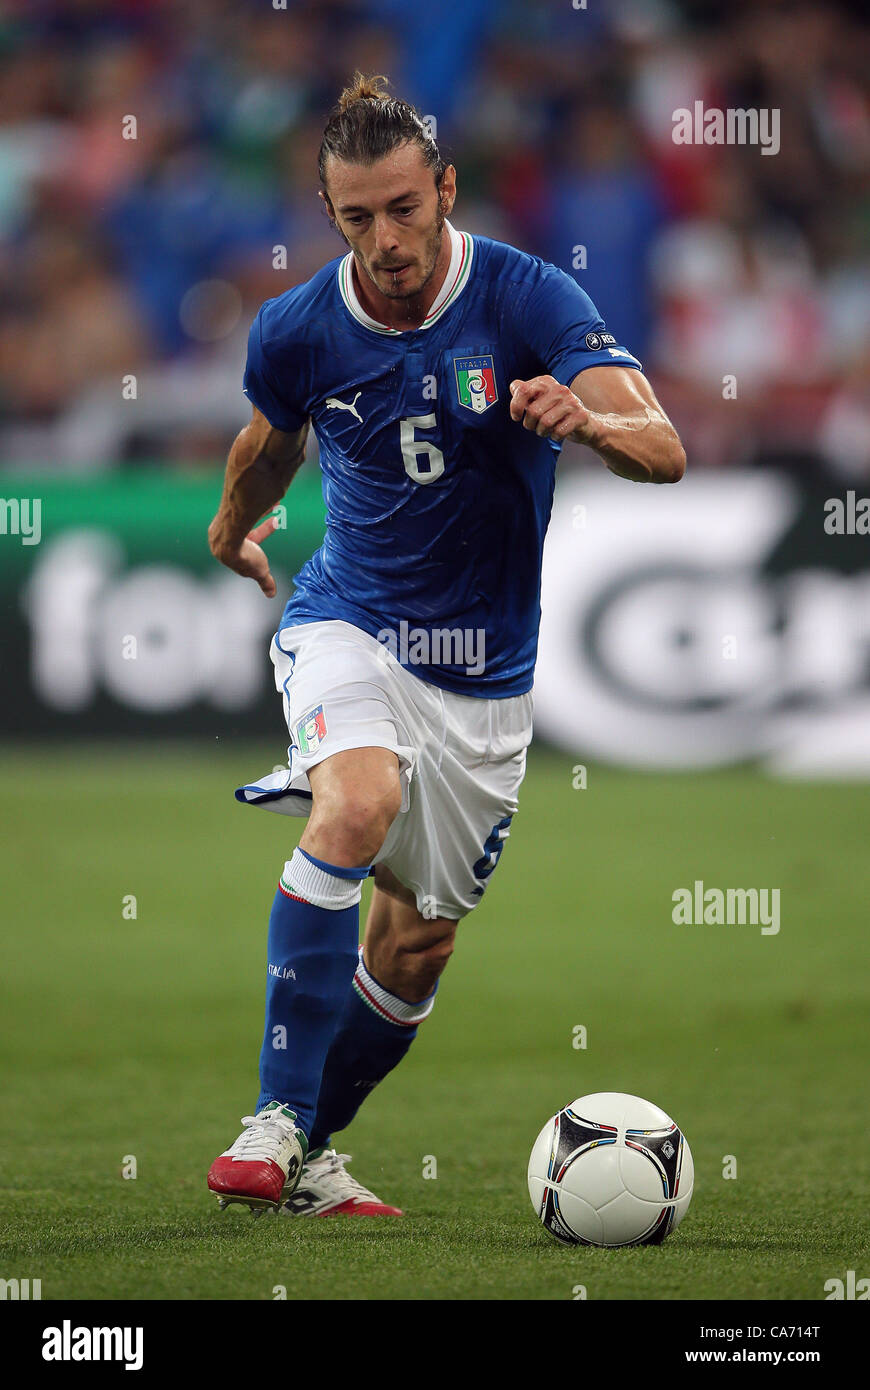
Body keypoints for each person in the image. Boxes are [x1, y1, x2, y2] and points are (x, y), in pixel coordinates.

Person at [206, 74, 685, 1219]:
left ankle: (314, 1150)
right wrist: (229, 529)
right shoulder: (298, 328)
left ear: (446, 192)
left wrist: (590, 421)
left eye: (405, 210)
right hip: (349, 621)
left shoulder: (526, 296)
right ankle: (269, 1121)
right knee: (355, 805)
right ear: (330, 215)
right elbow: (270, 445)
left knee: (415, 950)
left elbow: (662, 447)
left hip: (482, 682)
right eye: (359, 217)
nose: (386, 241)